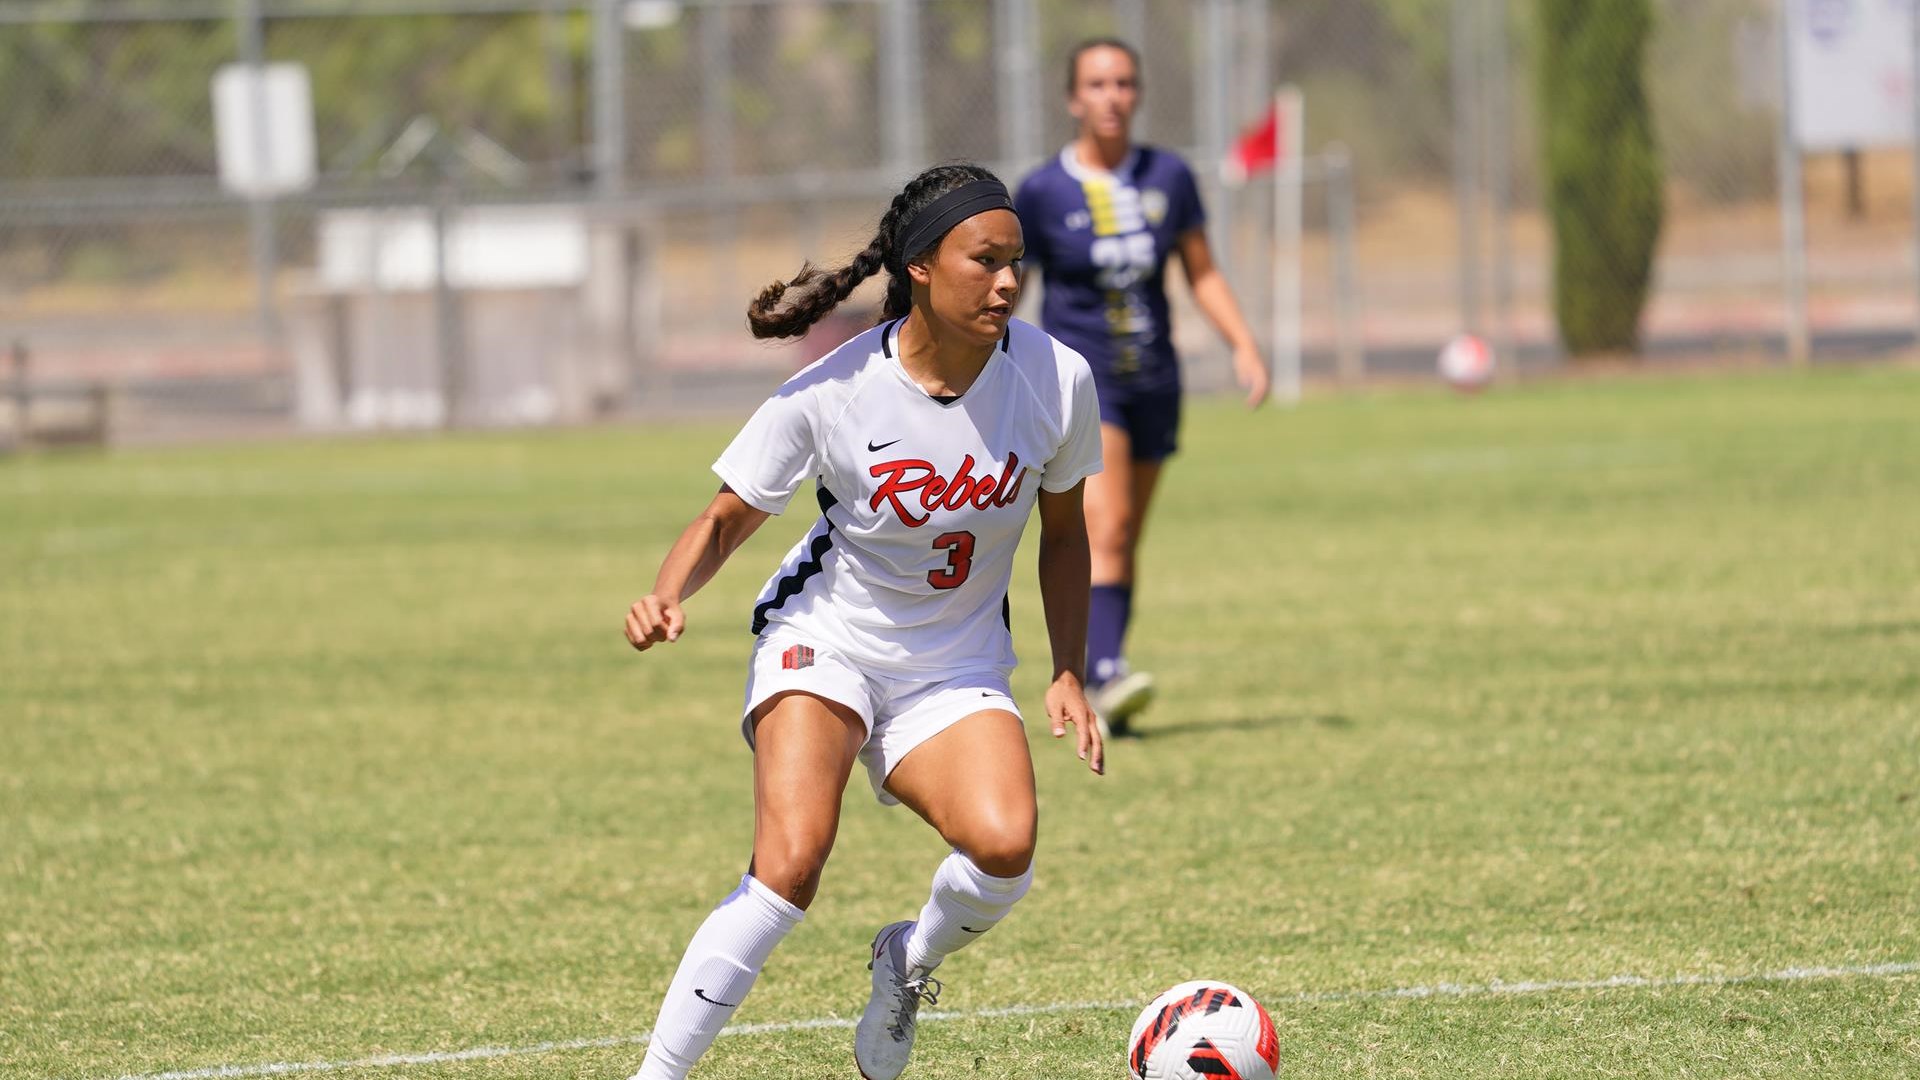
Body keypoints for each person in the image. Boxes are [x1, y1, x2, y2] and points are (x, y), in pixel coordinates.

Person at [622, 162, 1107, 1080]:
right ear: (921, 266)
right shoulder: (834, 387)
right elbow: (728, 515)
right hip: (827, 643)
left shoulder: (1056, 378)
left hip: (955, 665)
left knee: (1005, 850)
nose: (1007, 282)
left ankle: (907, 963)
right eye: (984, 260)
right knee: (790, 867)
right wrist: (669, 591)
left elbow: (1065, 533)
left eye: (1018, 262)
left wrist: (1069, 669)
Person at [1015, 38, 1270, 737]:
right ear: (1073, 98)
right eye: (1096, 83)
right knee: (1110, 523)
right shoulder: (1042, 191)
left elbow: (1202, 272)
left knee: (1127, 538)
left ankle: (1108, 674)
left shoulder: (1169, 176)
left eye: (1124, 82)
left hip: (1156, 377)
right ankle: (1101, 673)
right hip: (1085, 381)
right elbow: (1012, 287)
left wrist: (1243, 344)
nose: (1112, 96)